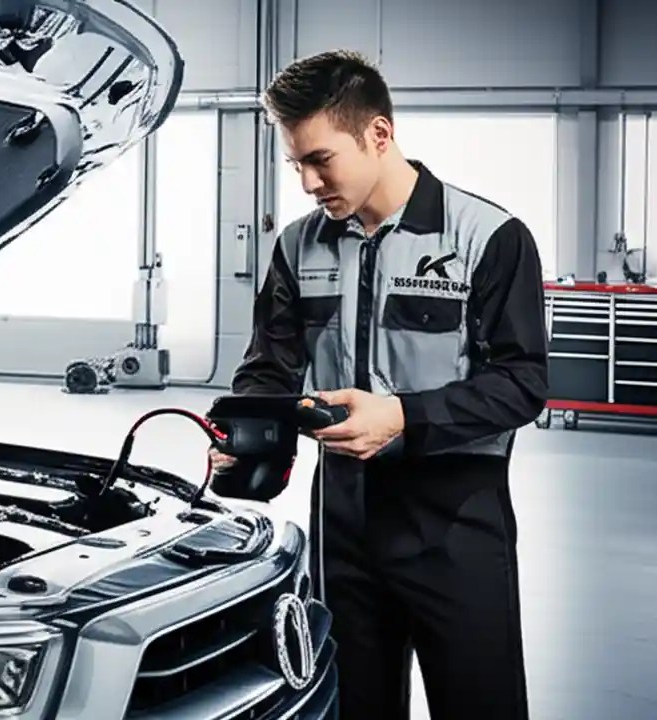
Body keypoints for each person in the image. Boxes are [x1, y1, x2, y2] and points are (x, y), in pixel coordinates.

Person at [210, 49, 548, 720]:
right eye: (296, 164)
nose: (307, 182)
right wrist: (247, 444)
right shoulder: (297, 246)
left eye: (321, 160)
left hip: (455, 521)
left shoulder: (490, 237)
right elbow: (268, 369)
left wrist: (400, 417)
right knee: (351, 707)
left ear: (379, 135)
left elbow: (522, 383)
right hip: (343, 520)